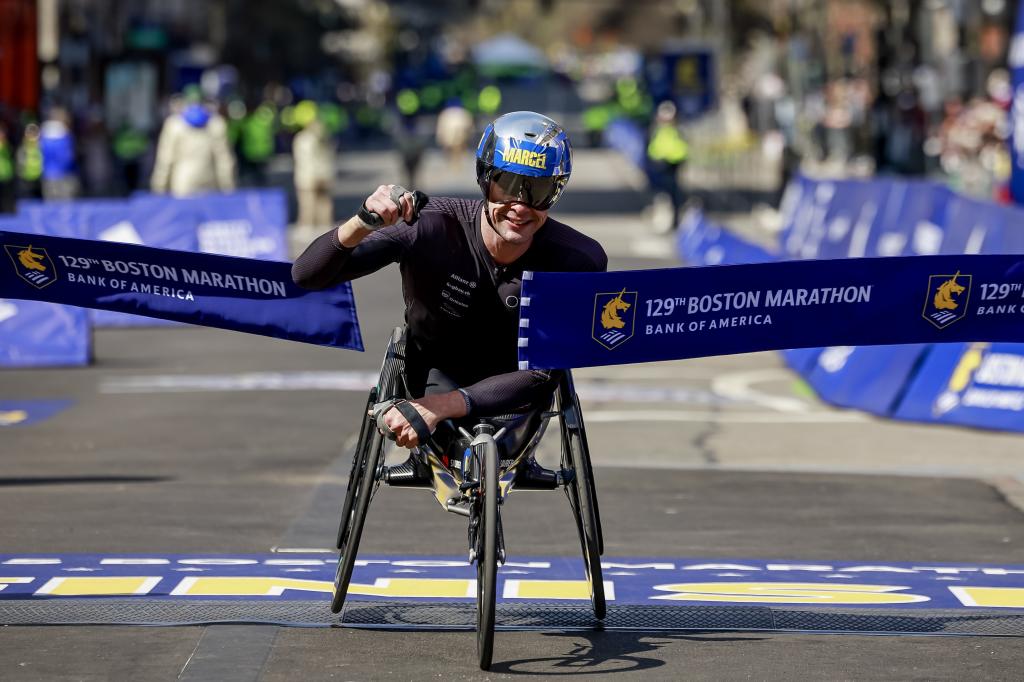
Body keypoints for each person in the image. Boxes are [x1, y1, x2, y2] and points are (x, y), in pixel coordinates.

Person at [292, 111, 606, 461]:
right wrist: (363, 221)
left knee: (498, 438)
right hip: (433, 371)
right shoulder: (429, 226)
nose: (520, 205)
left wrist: (443, 407)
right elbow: (307, 275)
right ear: (486, 179)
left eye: (540, 190)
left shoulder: (577, 259)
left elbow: (542, 374)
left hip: (517, 389)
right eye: (508, 184)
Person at [151, 94, 236, 196]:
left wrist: (159, 187)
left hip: (182, 182)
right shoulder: (216, 124)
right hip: (210, 181)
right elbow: (224, 160)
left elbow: (166, 159)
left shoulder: (173, 125)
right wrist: (228, 187)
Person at [646, 100, 688, 232]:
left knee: (674, 195)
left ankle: (674, 222)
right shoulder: (656, 131)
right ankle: (661, 222)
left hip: (673, 166)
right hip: (659, 167)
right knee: (661, 197)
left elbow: (682, 149)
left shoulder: (678, 131)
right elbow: (651, 148)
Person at [292, 115, 335, 231]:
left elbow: (302, 159)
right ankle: (325, 225)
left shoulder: (302, 139)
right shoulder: (326, 138)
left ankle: (307, 225)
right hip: (325, 174)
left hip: (308, 175)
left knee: (307, 202)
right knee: (324, 202)